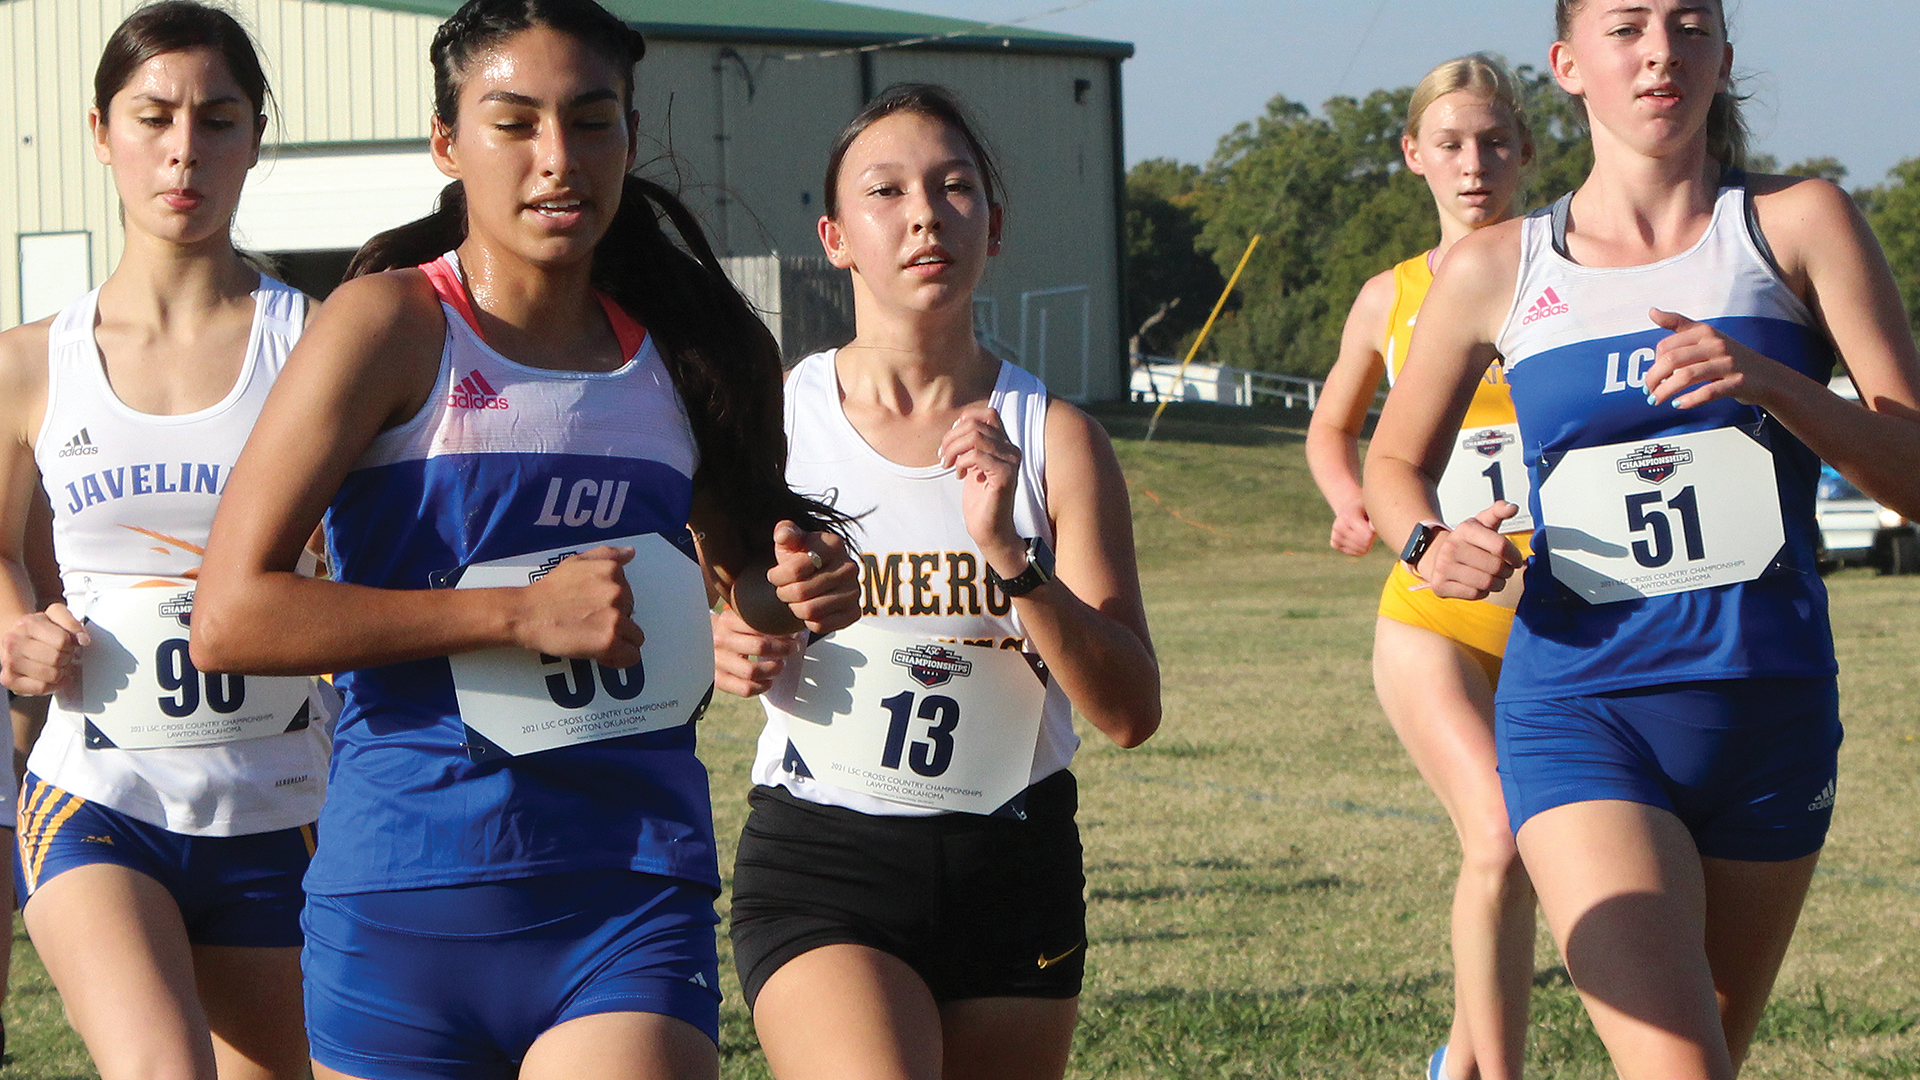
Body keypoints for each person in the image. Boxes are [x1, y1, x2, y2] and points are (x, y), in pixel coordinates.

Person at [189, 1, 861, 1078]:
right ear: (447, 143)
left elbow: (746, 581)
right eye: (515, 123)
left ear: (629, 137)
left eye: (592, 122)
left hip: (628, 895)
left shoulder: (690, 347)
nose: (559, 158)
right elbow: (230, 619)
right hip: (406, 894)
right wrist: (515, 615)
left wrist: (800, 584)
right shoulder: (385, 326)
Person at [1364, 2, 1920, 1078]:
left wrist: (1771, 381)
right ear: (1569, 64)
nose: (1661, 50)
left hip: (1771, 712)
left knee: (1711, 1055)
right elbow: (1390, 463)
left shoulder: (1799, 224)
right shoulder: (1499, 266)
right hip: (1581, 709)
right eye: (1626, 27)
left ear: (1723, 54)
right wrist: (1426, 543)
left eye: (1688, 23)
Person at [710, 84, 1161, 1080]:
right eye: (887, 191)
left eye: (954, 187)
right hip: (826, 860)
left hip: (1015, 863)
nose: (925, 214)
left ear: (992, 227)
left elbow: (1131, 712)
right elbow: (707, 611)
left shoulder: (1055, 439)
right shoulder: (772, 423)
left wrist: (1013, 559)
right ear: (836, 238)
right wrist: (732, 637)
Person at [0, 4, 337, 1078]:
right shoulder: (27, 364)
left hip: (284, 806)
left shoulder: (323, 343)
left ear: (256, 137)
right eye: (153, 117)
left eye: (217, 119)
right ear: (101, 133)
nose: (184, 148)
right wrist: (16, 631)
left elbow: (382, 549)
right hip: (95, 798)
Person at [1305, 54, 1537, 1080]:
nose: (1473, 164)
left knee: (1527, 853)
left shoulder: (1570, 277)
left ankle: (1466, 1064)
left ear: (1527, 152)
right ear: (1413, 156)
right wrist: (1354, 502)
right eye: (1450, 144)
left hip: (1559, 615)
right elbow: (1332, 429)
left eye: (1494, 142)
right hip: (1432, 614)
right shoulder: (1387, 296)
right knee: (1500, 836)